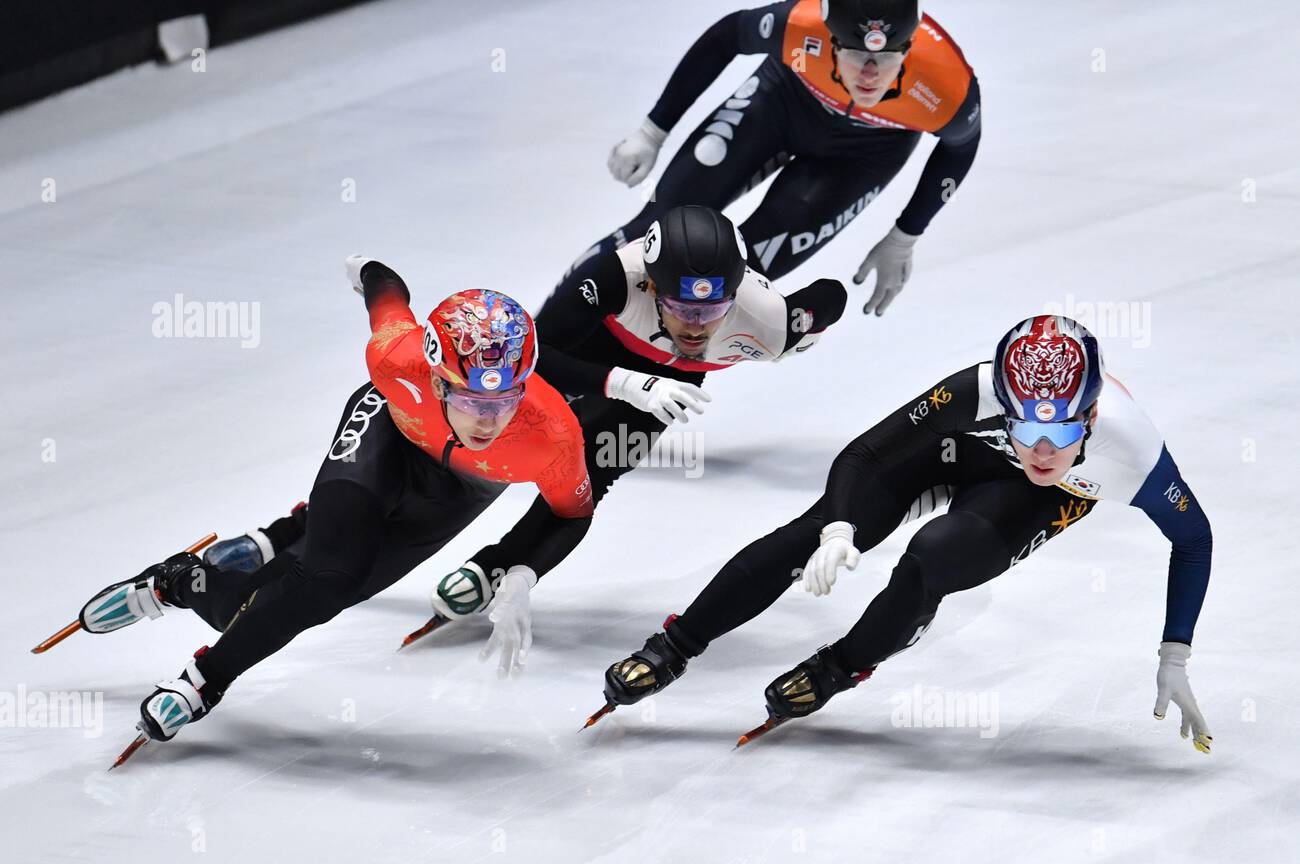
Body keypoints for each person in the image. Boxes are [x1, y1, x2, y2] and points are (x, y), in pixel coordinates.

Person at [595, 315, 1215, 752]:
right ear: (1001, 401)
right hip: (961, 451)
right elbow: (864, 456)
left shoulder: (1131, 451)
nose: (1042, 449)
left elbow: (1193, 539)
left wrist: (1175, 653)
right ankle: (673, 647)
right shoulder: (975, 391)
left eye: (1061, 434)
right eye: (1024, 430)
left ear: (1093, 414)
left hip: (1031, 502)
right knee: (811, 533)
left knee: (932, 557)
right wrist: (840, 529)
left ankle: (840, 667)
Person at [78, 257, 593, 748]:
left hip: (461, 487)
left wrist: (523, 574)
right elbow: (388, 299)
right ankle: (203, 682)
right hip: (387, 433)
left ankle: (182, 581)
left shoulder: (552, 436)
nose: (488, 420)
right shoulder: (397, 359)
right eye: (470, 400)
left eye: (505, 401)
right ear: (436, 377)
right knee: (328, 580)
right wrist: (365, 268)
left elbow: (571, 515)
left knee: (265, 606)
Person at [415, 204, 848, 662]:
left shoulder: (769, 322)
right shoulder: (616, 276)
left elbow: (831, 296)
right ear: (653, 285)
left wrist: (803, 331)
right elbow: (535, 357)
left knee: (597, 469)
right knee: (517, 427)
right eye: (682, 309)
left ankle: (500, 564)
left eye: (714, 309)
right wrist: (621, 382)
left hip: (675, 384)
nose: (697, 326)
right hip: (598, 353)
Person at [600, 0, 981, 310]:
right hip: (783, 103)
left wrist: (905, 235)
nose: (868, 74)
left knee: (738, 283)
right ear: (829, 39)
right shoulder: (800, 23)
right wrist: (653, 130)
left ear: (909, 48)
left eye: (885, 59)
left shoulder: (946, 85)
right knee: (651, 230)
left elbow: (961, 146)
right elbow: (727, 35)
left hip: (864, 154)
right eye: (854, 54)